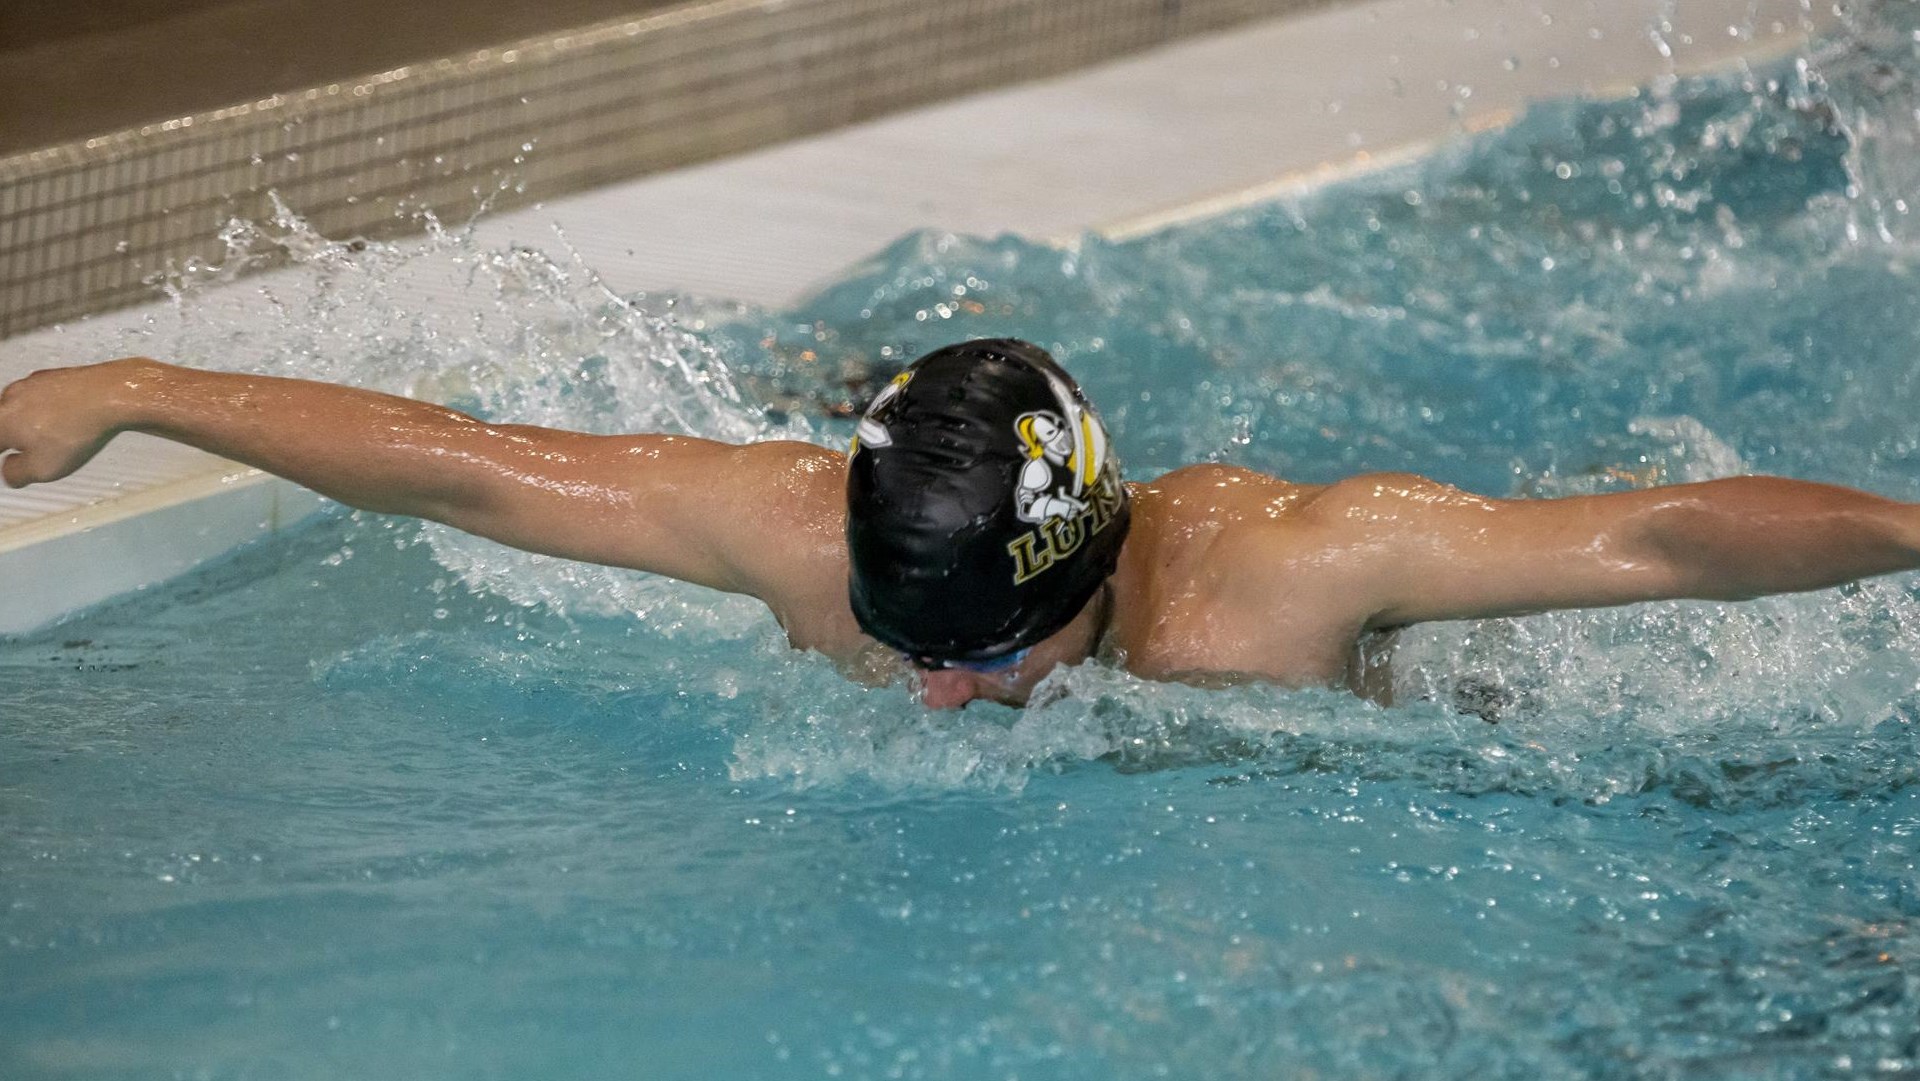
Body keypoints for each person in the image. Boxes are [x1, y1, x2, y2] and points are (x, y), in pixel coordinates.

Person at [3, 338, 1918, 710]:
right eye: (911, 646)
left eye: (991, 651)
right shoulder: (781, 531)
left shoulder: (1283, 577)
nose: (939, 697)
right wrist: (138, 386)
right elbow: (468, 460)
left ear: (1095, 575)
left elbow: (1666, 539)